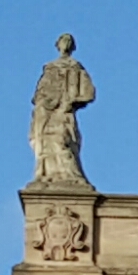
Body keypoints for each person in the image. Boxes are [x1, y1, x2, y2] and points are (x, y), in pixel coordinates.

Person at [29, 34, 95, 188]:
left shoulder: (75, 66)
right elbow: (39, 92)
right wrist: (43, 101)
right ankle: (44, 174)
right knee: (44, 141)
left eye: (68, 41)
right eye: (63, 41)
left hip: (62, 111)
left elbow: (87, 92)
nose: (65, 44)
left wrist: (71, 100)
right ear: (57, 44)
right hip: (45, 111)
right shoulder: (50, 67)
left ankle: (69, 175)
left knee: (62, 139)